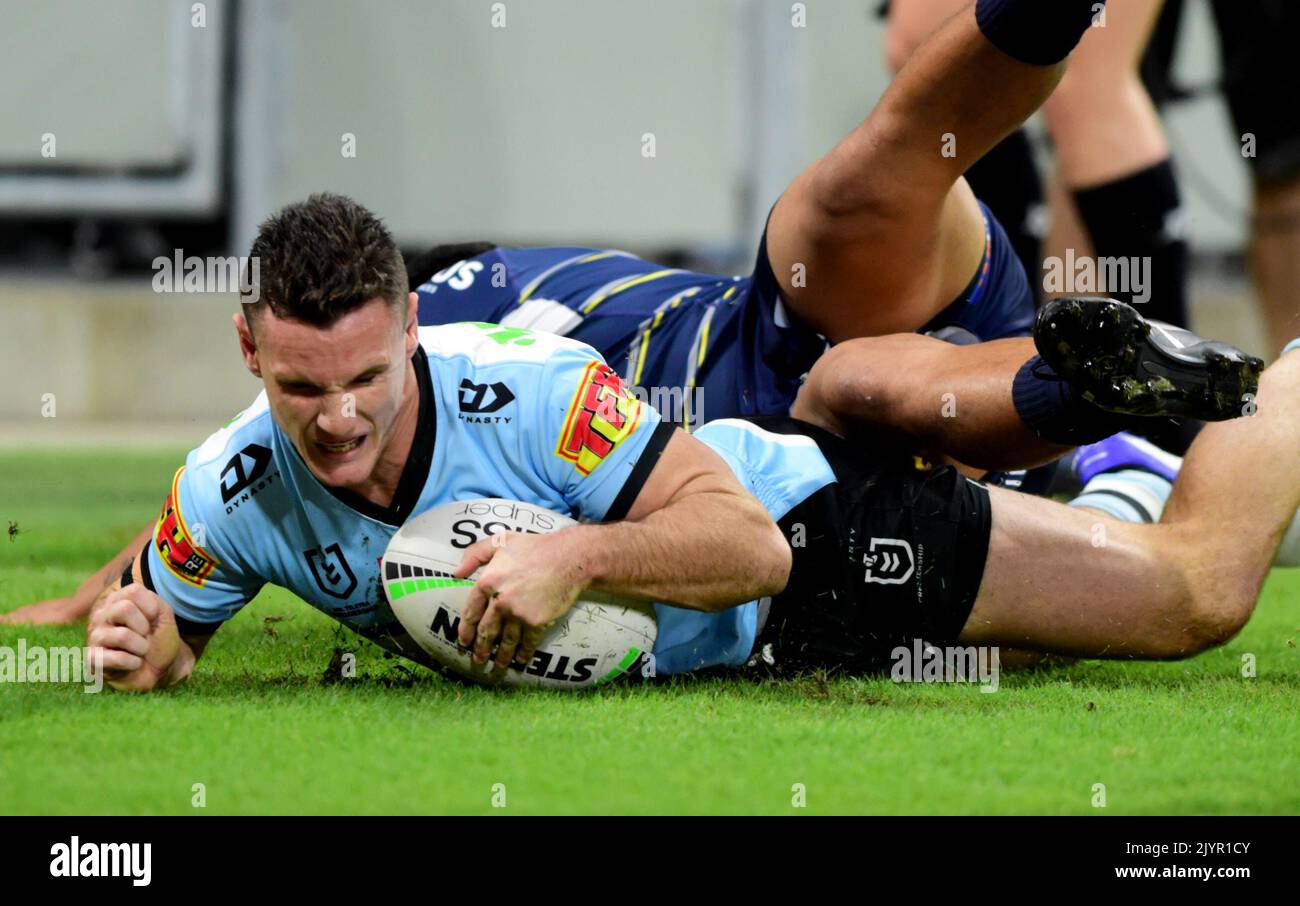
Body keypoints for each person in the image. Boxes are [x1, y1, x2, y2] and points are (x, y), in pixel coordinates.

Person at [81, 196, 791, 690]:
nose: (339, 419)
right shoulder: (229, 490)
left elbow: (757, 549)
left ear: (412, 324)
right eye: (303, 388)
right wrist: (145, 653)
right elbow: (169, 647)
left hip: (823, 534)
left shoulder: (539, 393)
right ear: (249, 347)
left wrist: (577, 556)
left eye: (367, 375)